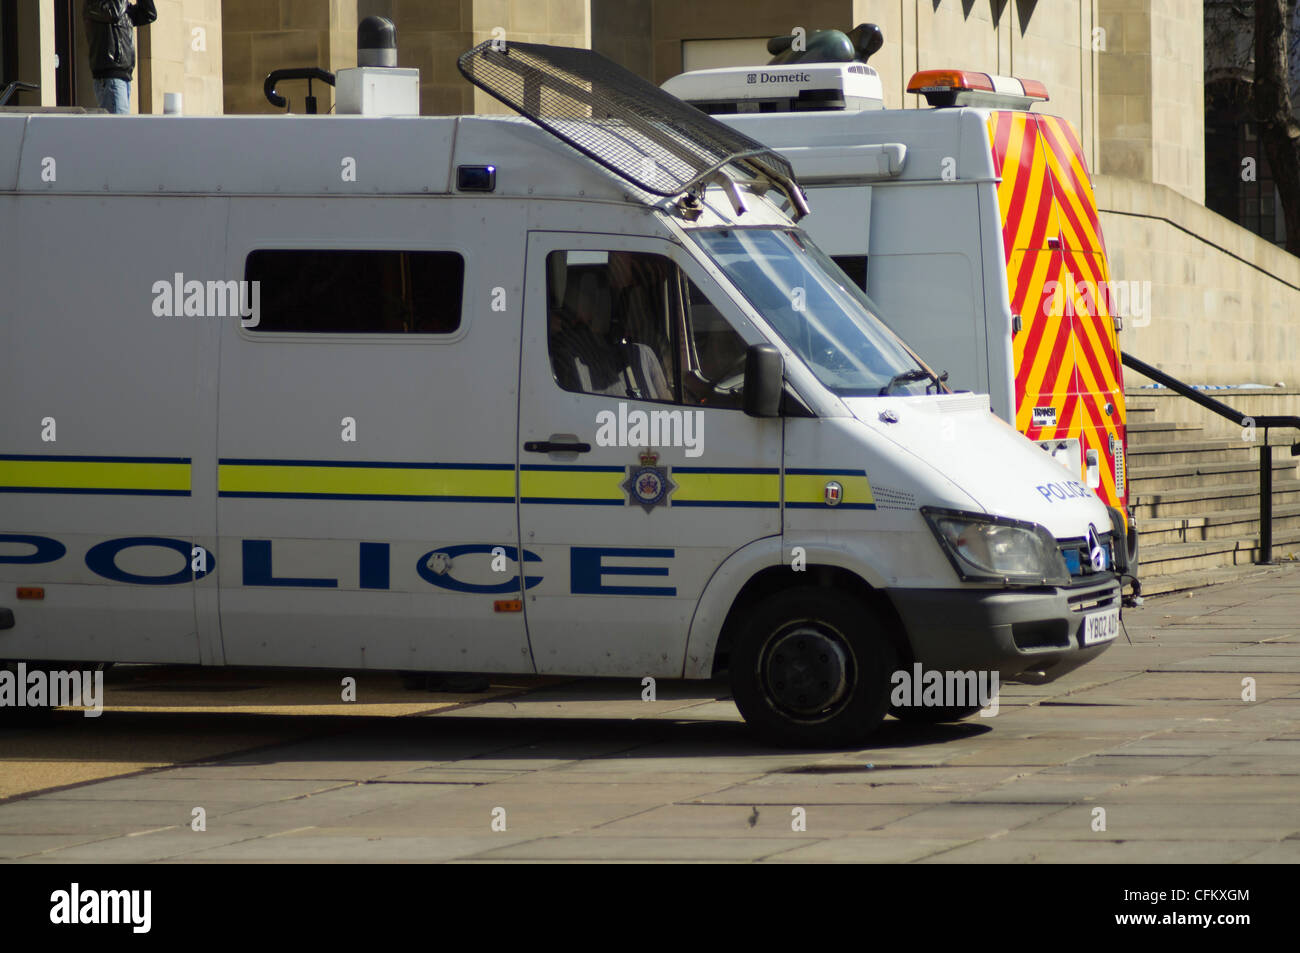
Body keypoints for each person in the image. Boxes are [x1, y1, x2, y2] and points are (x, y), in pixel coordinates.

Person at [84, 0, 157, 115]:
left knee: (121, 128)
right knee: (119, 130)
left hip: (123, 77)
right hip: (110, 77)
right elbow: (114, 12)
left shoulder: (121, 5)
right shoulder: (95, 4)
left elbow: (149, 14)